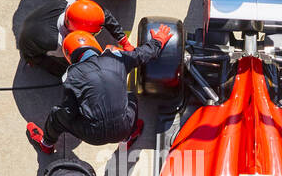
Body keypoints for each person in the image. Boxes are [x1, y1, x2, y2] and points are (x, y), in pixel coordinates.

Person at [27, 24, 173, 153]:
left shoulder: (71, 76)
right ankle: (129, 137)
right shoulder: (118, 58)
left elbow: (68, 112)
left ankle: (46, 143)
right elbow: (141, 55)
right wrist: (158, 41)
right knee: (131, 98)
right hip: (123, 128)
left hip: (93, 135)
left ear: (69, 56)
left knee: (56, 115)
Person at [18, 0, 133, 76]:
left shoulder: (71, 2)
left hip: (34, 20)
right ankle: (32, 60)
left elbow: (104, 15)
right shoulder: (59, 43)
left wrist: (123, 40)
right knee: (66, 71)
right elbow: (79, 61)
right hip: (30, 45)